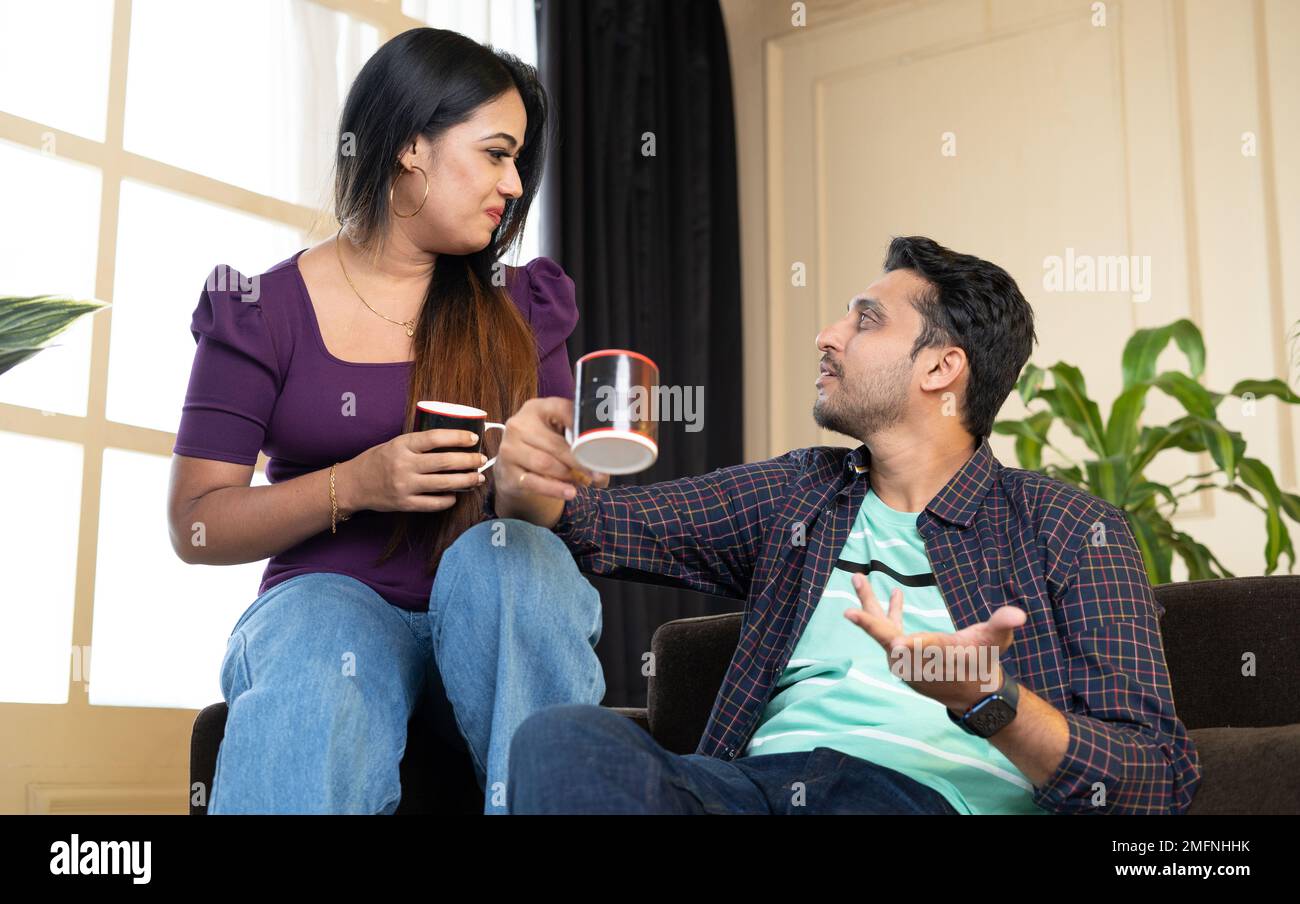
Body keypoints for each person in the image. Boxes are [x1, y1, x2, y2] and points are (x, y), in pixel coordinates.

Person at [487, 236, 1202, 815]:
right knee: (562, 740)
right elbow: (595, 525)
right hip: (747, 790)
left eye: (866, 319)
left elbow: (1156, 780)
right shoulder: (804, 492)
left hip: (914, 800)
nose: (828, 336)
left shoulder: (1072, 528)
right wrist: (529, 476)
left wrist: (989, 699)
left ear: (941, 368)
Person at [167, 27, 607, 815]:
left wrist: (529, 481)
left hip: (491, 623)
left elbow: (552, 525)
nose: (513, 184)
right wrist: (357, 482)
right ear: (411, 148)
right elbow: (197, 524)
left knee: (507, 564)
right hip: (329, 611)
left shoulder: (524, 306)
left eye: (518, 162)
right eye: (496, 153)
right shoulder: (260, 313)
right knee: (322, 634)